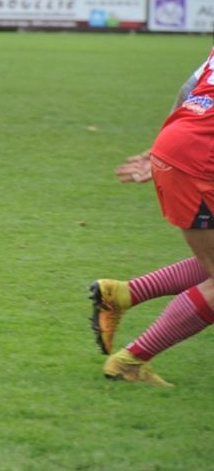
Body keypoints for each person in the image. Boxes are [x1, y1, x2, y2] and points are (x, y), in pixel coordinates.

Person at [90, 50, 214, 387]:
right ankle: (131, 361)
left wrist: (166, 142)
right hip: (199, 162)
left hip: (183, 147)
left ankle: (123, 294)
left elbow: (189, 87)